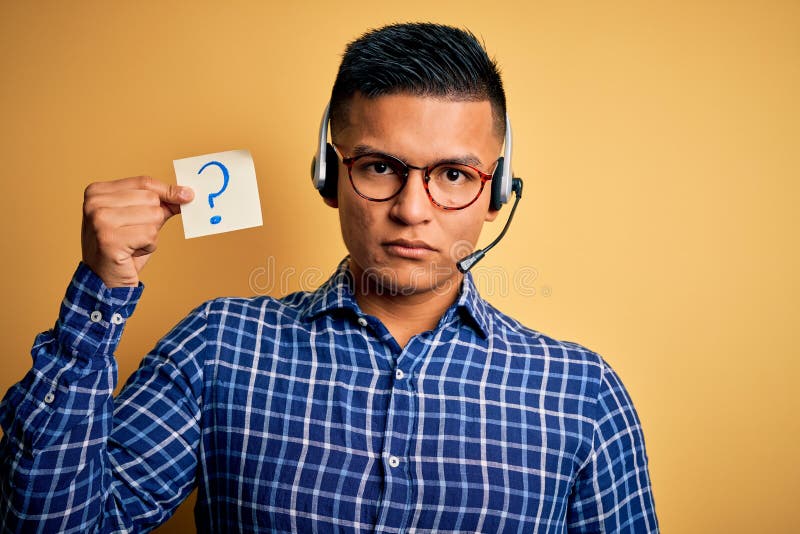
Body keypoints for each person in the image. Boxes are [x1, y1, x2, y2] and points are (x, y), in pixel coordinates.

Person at [0, 23, 658, 533]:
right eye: (378, 167)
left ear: (497, 193)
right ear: (328, 176)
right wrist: (100, 293)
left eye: (453, 176)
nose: (411, 208)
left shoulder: (584, 395)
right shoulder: (217, 349)